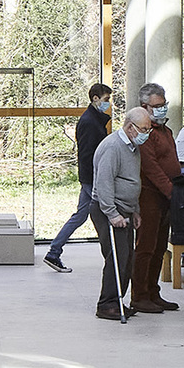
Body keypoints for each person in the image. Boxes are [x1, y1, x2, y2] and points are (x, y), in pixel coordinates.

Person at [43, 82, 113, 271]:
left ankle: (54, 251)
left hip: (90, 176)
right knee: (105, 214)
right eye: (106, 100)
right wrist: (98, 177)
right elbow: (89, 154)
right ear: (95, 98)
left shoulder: (93, 119)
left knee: (81, 215)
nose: (108, 104)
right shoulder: (90, 122)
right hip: (93, 177)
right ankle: (112, 255)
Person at [91, 106, 150, 321]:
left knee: (127, 259)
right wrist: (112, 214)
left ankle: (118, 300)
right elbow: (104, 183)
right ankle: (106, 304)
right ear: (129, 127)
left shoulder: (132, 147)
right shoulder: (113, 146)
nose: (146, 133)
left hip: (125, 209)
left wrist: (135, 210)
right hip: (108, 210)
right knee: (117, 257)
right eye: (143, 129)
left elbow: (132, 180)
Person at [132, 81, 182, 314]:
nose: (162, 108)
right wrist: (171, 191)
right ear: (145, 106)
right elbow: (151, 168)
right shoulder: (145, 133)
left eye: (164, 104)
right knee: (146, 247)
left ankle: (153, 291)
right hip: (149, 197)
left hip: (166, 199)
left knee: (160, 246)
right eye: (157, 105)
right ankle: (139, 295)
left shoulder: (166, 131)